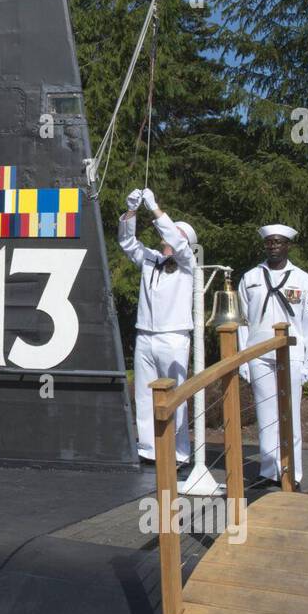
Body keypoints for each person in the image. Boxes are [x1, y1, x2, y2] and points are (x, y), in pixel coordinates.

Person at [237, 224, 308, 486]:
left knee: (290, 414)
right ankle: (268, 471)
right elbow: (242, 320)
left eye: (279, 242)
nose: (273, 246)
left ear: (288, 246)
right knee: (266, 415)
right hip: (258, 352)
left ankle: (292, 473)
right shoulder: (250, 277)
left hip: (292, 352)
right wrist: (242, 358)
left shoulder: (302, 279)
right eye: (269, 242)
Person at [117, 188, 196, 467]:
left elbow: (178, 241)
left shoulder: (189, 264)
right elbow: (127, 242)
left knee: (177, 395)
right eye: (166, 235)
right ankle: (149, 448)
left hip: (173, 336)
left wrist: (155, 209)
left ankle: (180, 451)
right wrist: (132, 211)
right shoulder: (151, 260)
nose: (167, 240)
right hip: (146, 335)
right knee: (145, 392)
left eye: (174, 236)